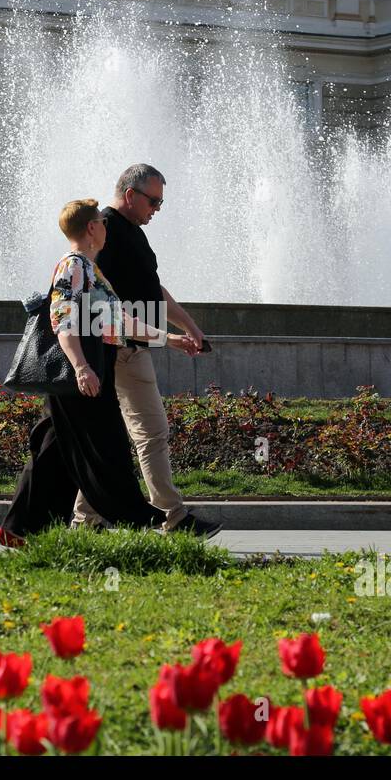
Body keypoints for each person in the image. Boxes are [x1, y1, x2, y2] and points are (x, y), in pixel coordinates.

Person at [0, 199, 196, 548]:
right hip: (81, 376)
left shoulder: (90, 270)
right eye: (102, 222)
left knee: (53, 455)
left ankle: (18, 529)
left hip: (87, 371)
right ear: (91, 228)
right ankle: (134, 514)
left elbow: (119, 322)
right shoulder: (73, 267)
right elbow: (63, 320)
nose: (106, 228)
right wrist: (81, 367)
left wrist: (171, 340)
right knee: (107, 444)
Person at [70, 164, 222, 539]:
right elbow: (100, 303)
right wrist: (165, 337)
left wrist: (190, 326)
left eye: (160, 202)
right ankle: (173, 518)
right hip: (118, 350)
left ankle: (86, 521)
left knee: (117, 437)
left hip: (128, 347)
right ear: (130, 195)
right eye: (153, 201)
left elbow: (154, 291)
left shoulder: (131, 234)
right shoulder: (104, 231)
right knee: (150, 432)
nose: (157, 208)